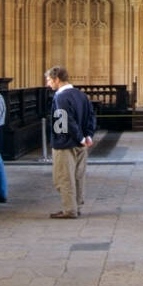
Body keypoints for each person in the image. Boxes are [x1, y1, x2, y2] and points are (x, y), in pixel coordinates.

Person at [45, 67, 96, 219]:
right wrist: (88, 136)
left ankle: (69, 210)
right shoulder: (81, 94)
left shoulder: (60, 97)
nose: (48, 84)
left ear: (57, 79)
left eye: (49, 80)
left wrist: (80, 137)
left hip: (65, 143)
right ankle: (77, 206)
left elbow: (65, 120)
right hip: (81, 144)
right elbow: (91, 116)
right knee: (78, 176)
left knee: (63, 178)